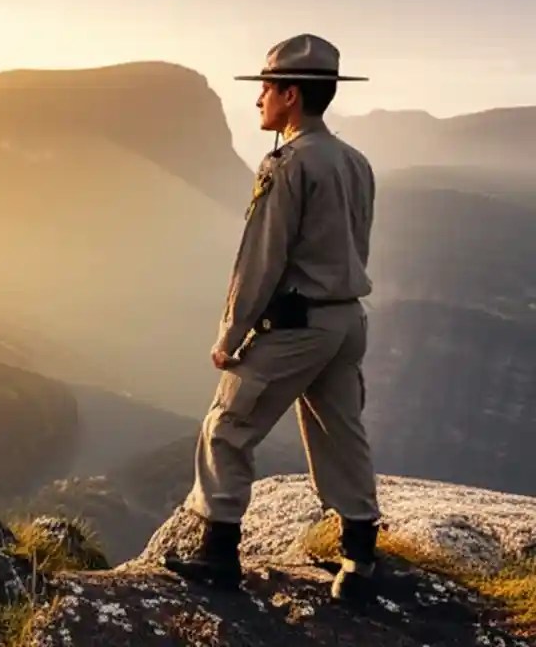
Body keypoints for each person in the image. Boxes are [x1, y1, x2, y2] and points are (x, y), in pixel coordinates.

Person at [162, 34, 381, 603]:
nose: (258, 98)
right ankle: (360, 558)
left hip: (298, 324)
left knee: (227, 427)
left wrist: (230, 334)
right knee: (341, 432)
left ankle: (217, 554)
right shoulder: (355, 163)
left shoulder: (287, 164)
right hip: (347, 322)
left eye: (265, 88)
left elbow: (263, 256)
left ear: (290, 95)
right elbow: (355, 243)